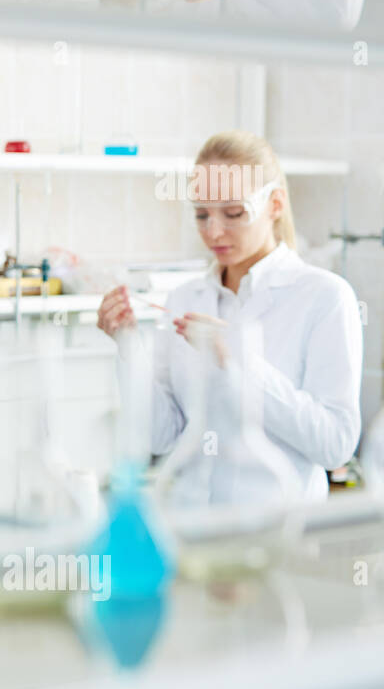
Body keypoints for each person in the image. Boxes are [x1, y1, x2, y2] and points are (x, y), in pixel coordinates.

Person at [97, 130, 362, 505]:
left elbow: (335, 446)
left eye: (234, 213)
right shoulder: (185, 297)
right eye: (202, 215)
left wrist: (237, 357)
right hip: (191, 529)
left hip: (278, 531)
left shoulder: (325, 297)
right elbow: (161, 436)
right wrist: (128, 346)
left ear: (275, 203)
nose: (214, 231)